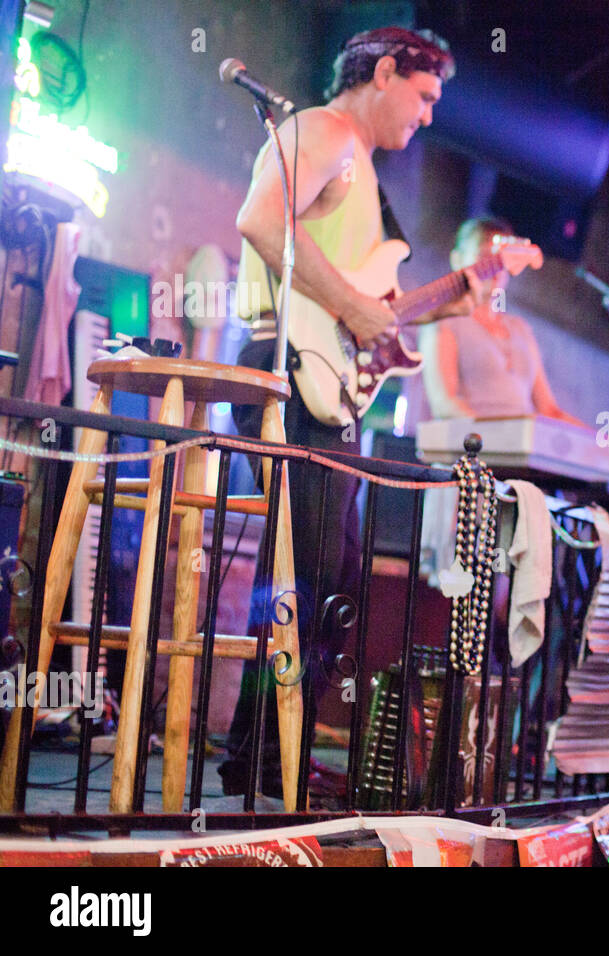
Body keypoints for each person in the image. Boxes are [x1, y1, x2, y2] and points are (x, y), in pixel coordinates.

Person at [223, 27, 467, 801]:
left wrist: (409, 311)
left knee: (326, 576)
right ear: (386, 72)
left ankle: (269, 751)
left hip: (319, 382)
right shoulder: (324, 128)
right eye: (424, 97)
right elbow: (260, 222)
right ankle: (260, 758)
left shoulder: (361, 171)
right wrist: (357, 312)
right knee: (306, 572)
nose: (427, 117)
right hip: (284, 372)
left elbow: (367, 305)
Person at [417, 216, 584, 426]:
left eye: (502, 260)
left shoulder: (521, 329)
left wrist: (603, 444)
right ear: (458, 260)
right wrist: (494, 438)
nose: (495, 268)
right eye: (485, 257)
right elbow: (444, 403)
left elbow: (549, 410)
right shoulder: (443, 320)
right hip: (470, 450)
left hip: (517, 454)